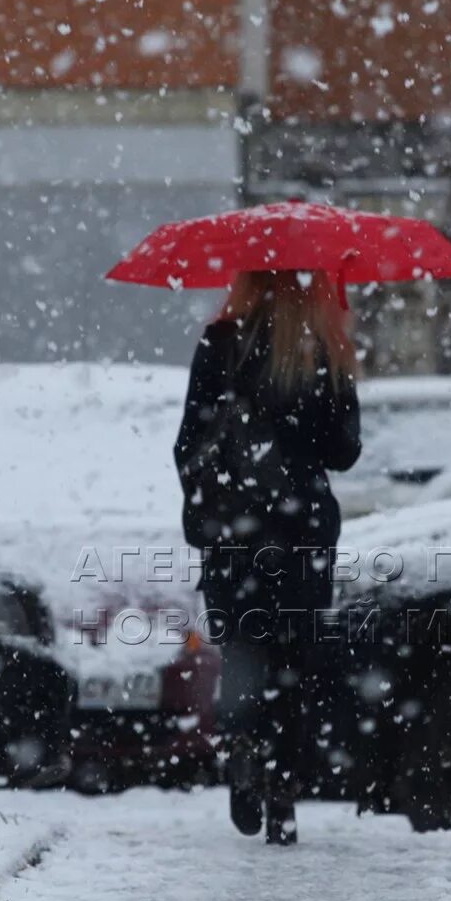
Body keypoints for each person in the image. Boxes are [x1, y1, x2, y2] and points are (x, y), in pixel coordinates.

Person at [173, 269, 362, 845]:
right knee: (295, 664)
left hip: (235, 533)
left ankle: (243, 748)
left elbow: (188, 444)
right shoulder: (322, 352)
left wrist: (219, 499)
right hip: (301, 531)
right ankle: (283, 794)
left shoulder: (220, 343)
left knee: (245, 654)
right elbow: (346, 452)